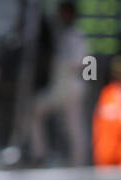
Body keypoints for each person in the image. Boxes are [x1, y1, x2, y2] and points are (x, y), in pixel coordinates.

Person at [29, 1, 89, 167]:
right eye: (61, 13)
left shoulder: (78, 35)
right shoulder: (57, 34)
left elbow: (82, 63)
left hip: (72, 87)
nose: (62, 16)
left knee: (74, 128)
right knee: (34, 111)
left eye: (66, 13)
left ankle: (79, 164)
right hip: (57, 88)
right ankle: (40, 154)